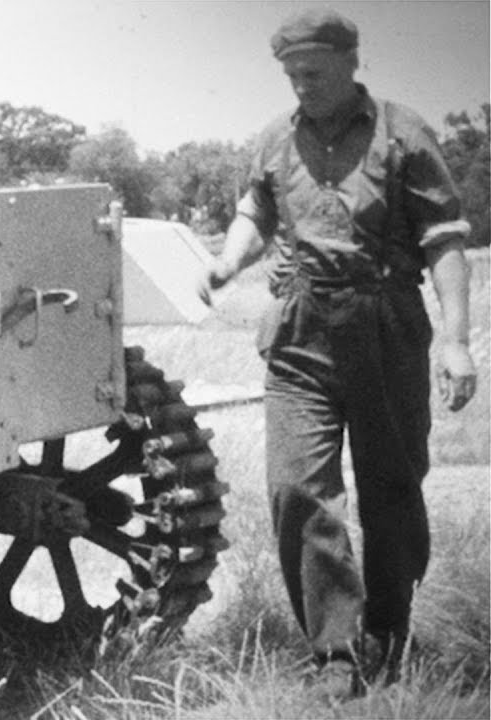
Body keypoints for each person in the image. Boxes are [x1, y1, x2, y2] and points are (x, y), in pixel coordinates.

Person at [197, 7, 477, 698]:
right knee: (297, 489)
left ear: (352, 63)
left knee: (391, 491)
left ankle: (388, 630)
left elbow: (445, 238)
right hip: (299, 331)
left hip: (384, 326)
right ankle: (336, 655)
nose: (302, 85)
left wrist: (458, 341)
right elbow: (255, 211)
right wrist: (228, 263)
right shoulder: (274, 139)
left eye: (314, 72)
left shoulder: (404, 133)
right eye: (291, 74)